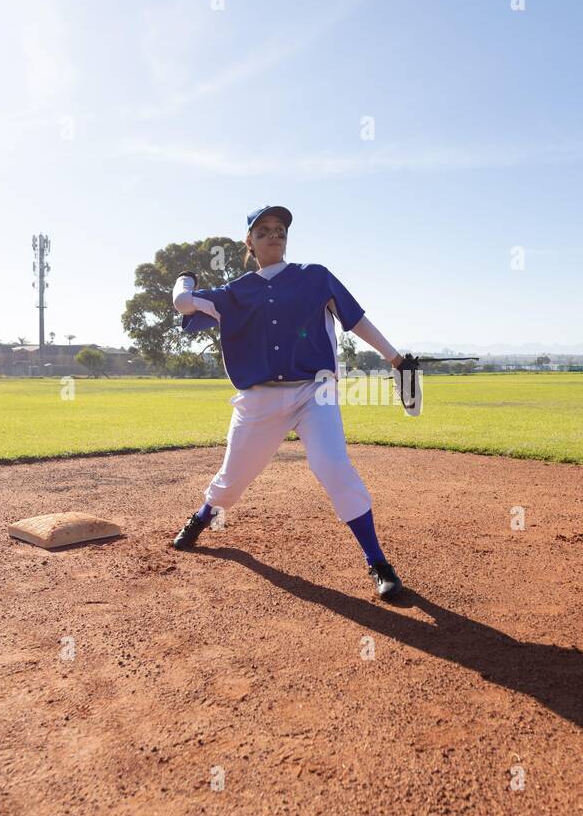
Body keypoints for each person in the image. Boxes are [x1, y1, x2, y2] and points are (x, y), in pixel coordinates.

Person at [169, 204, 408, 600]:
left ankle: (378, 561)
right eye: (263, 230)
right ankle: (202, 517)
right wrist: (185, 282)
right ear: (250, 242)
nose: (274, 235)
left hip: (315, 391)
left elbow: (355, 319)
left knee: (332, 465)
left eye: (280, 229)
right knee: (232, 480)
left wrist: (395, 358)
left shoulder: (314, 277)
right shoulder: (235, 293)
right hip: (259, 399)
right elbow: (185, 304)